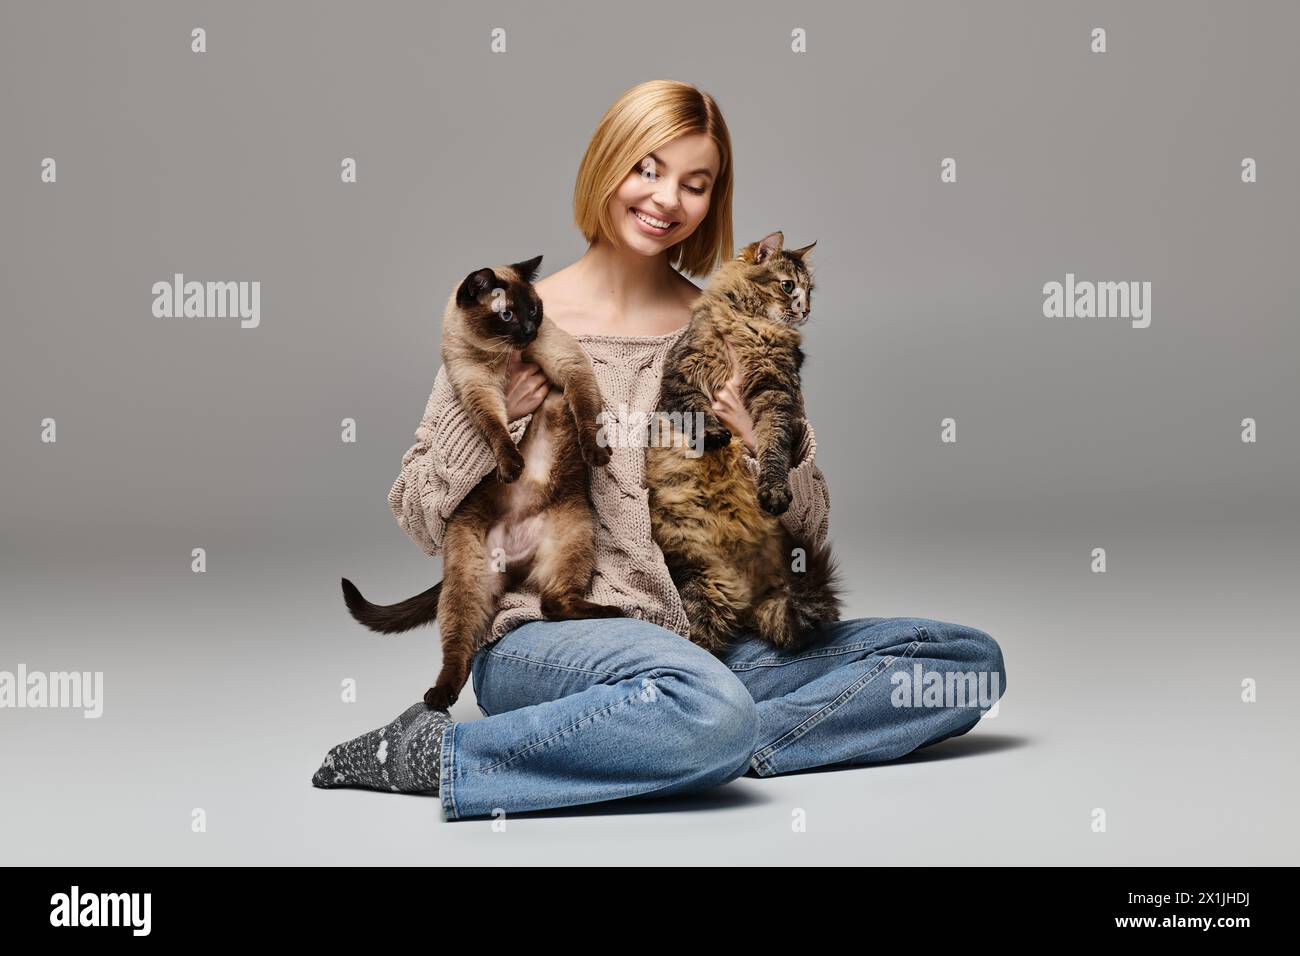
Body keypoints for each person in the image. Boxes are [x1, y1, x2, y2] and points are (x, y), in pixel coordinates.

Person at [312, 79, 1006, 820]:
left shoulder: (725, 326)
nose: (668, 199)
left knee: (966, 665)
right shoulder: (517, 320)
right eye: (648, 168)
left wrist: (762, 442)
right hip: (548, 638)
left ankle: (705, 742)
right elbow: (421, 518)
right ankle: (444, 756)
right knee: (704, 703)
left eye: (695, 184)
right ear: (608, 165)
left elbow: (807, 535)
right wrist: (490, 430)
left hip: (704, 638)